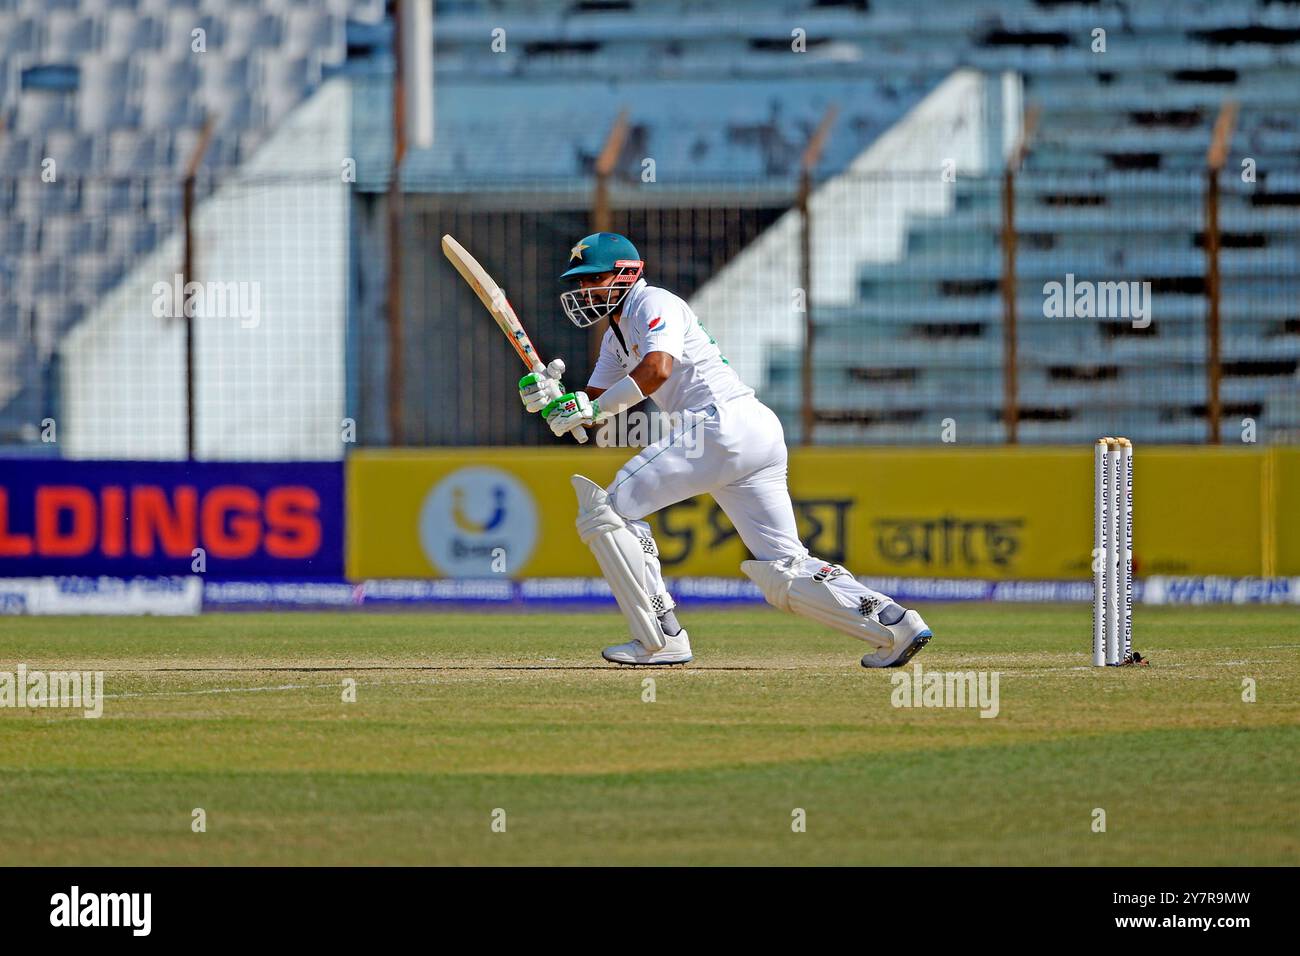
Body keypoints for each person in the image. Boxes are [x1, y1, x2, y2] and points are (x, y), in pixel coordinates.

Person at [518, 232, 933, 667]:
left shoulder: (653, 302)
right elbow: (597, 408)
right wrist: (556, 401)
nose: (586, 290)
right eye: (581, 282)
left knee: (611, 510)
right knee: (784, 567)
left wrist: (590, 406)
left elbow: (657, 370)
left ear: (627, 274)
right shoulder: (614, 337)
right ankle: (895, 625)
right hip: (751, 433)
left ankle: (661, 639)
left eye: (594, 279)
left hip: (720, 424)